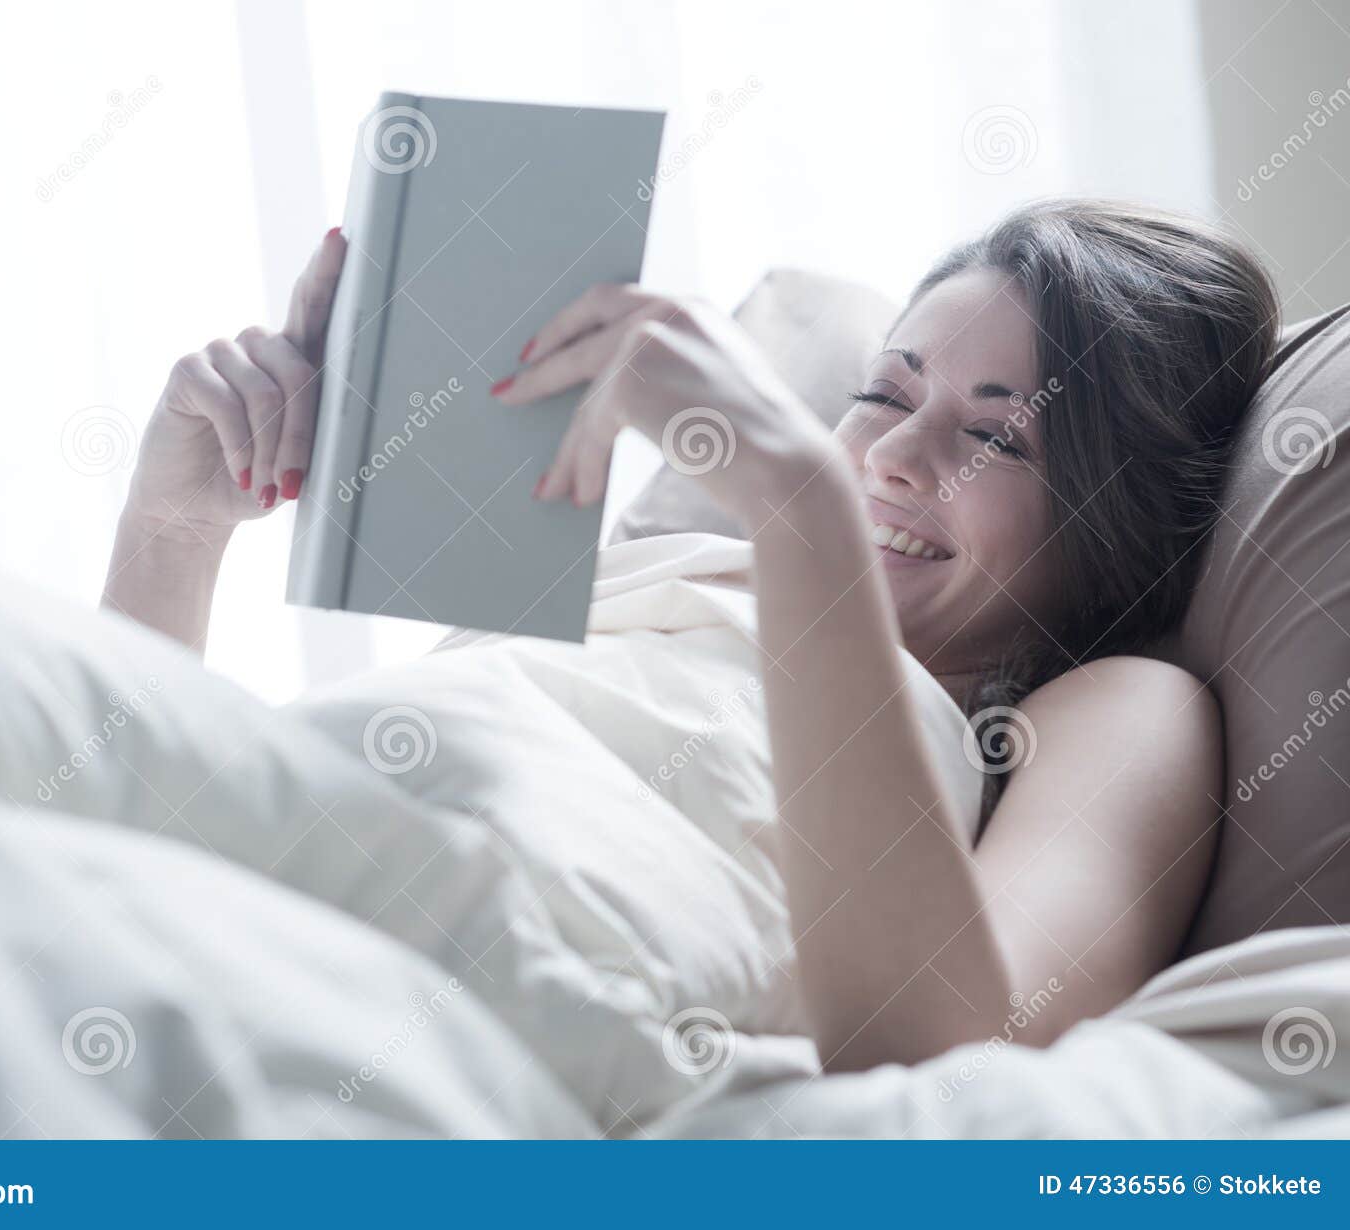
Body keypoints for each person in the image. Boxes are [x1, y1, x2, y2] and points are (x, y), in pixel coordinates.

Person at [104, 199, 1278, 1073]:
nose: (888, 457)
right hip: (226, 901)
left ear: (1115, 525)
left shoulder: (1114, 708)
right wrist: (175, 521)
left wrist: (797, 507)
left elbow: (953, 1068)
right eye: (882, 393)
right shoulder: (652, 578)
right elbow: (137, 834)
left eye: (999, 438)